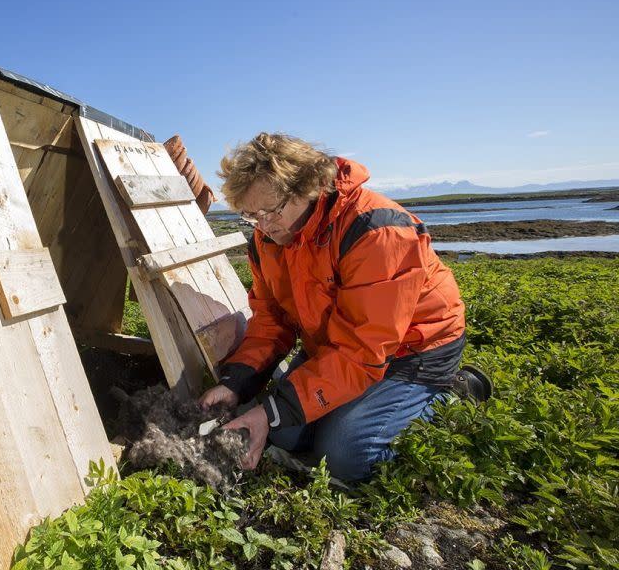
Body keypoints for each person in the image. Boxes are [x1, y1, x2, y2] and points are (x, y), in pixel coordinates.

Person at [199, 132, 490, 481]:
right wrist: (236, 383)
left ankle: (455, 389)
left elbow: (363, 349)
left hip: (414, 349)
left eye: (271, 211)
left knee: (344, 456)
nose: (263, 226)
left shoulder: (376, 230)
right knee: (285, 434)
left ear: (306, 188)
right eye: (250, 215)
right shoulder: (268, 240)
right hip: (337, 344)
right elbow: (271, 321)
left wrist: (271, 411)